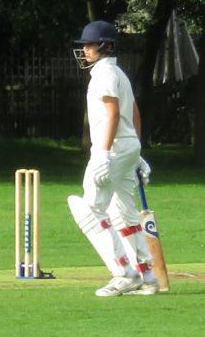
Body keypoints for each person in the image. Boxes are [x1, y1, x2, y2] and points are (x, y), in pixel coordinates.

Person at [65, 20, 156, 297]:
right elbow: (135, 112)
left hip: (113, 146)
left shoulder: (103, 74)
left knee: (90, 209)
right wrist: (137, 151)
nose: (85, 50)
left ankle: (124, 273)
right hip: (127, 146)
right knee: (124, 213)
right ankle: (147, 276)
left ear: (104, 45)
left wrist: (103, 152)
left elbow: (114, 114)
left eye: (90, 45)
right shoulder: (119, 73)